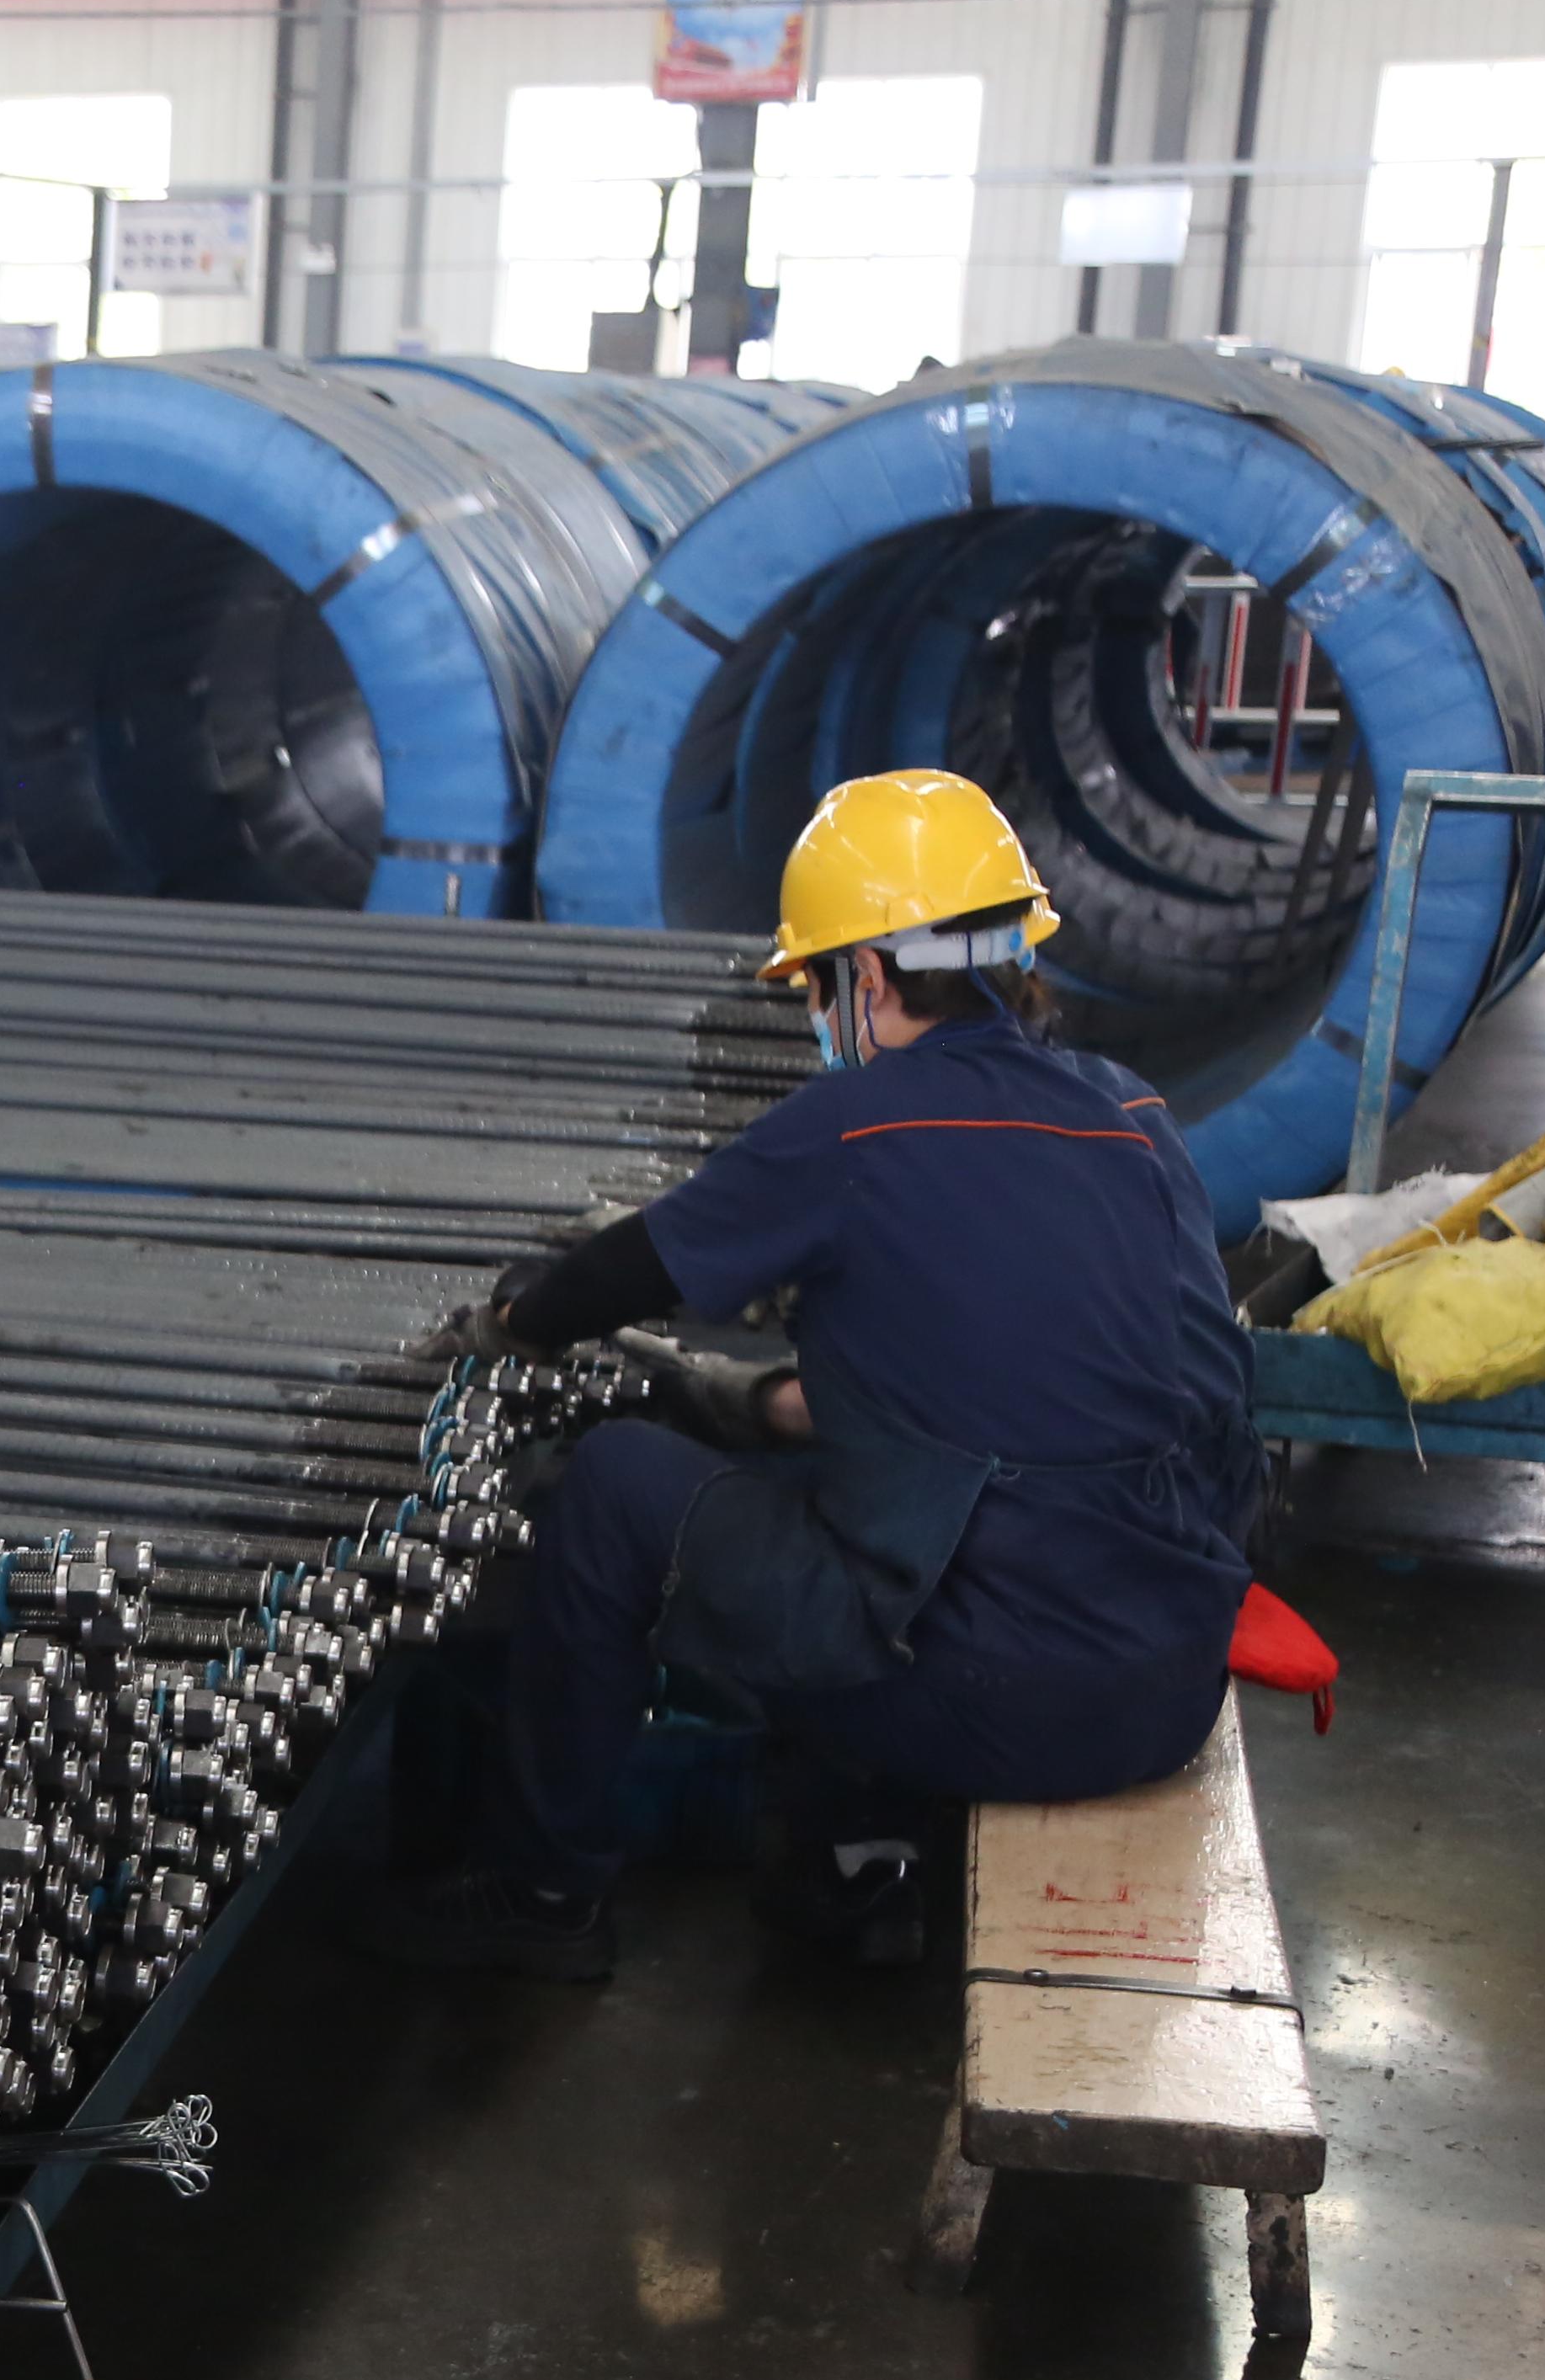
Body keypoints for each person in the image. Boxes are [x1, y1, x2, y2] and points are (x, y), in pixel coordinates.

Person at [359, 768, 1259, 1981]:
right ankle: (846, 1858)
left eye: (819, 987)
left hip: (991, 1694)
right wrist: (771, 1407)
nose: (821, 1017)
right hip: (1166, 1680)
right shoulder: (1129, 1119)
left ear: (868, 978)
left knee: (620, 1485)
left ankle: (544, 1889)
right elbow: (1154, 1393)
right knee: (833, 1512)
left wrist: (514, 1317)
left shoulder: (856, 1126)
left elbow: (625, 1273)